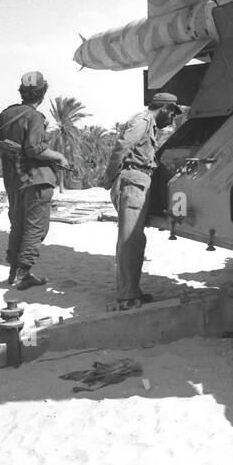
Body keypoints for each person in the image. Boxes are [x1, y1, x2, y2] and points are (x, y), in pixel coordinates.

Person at [0, 72, 69, 290]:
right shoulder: (35, 117)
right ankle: (23, 274)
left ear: (21, 92)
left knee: (18, 226)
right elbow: (34, 148)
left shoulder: (5, 114)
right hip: (36, 180)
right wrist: (59, 156)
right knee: (36, 229)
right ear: (42, 94)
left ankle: (15, 271)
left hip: (14, 181)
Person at [104, 92, 181, 310]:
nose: (172, 119)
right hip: (133, 182)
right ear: (164, 108)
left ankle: (130, 291)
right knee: (130, 239)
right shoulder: (143, 121)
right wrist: (109, 176)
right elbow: (122, 147)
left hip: (137, 181)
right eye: (172, 113)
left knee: (134, 239)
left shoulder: (147, 124)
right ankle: (127, 296)